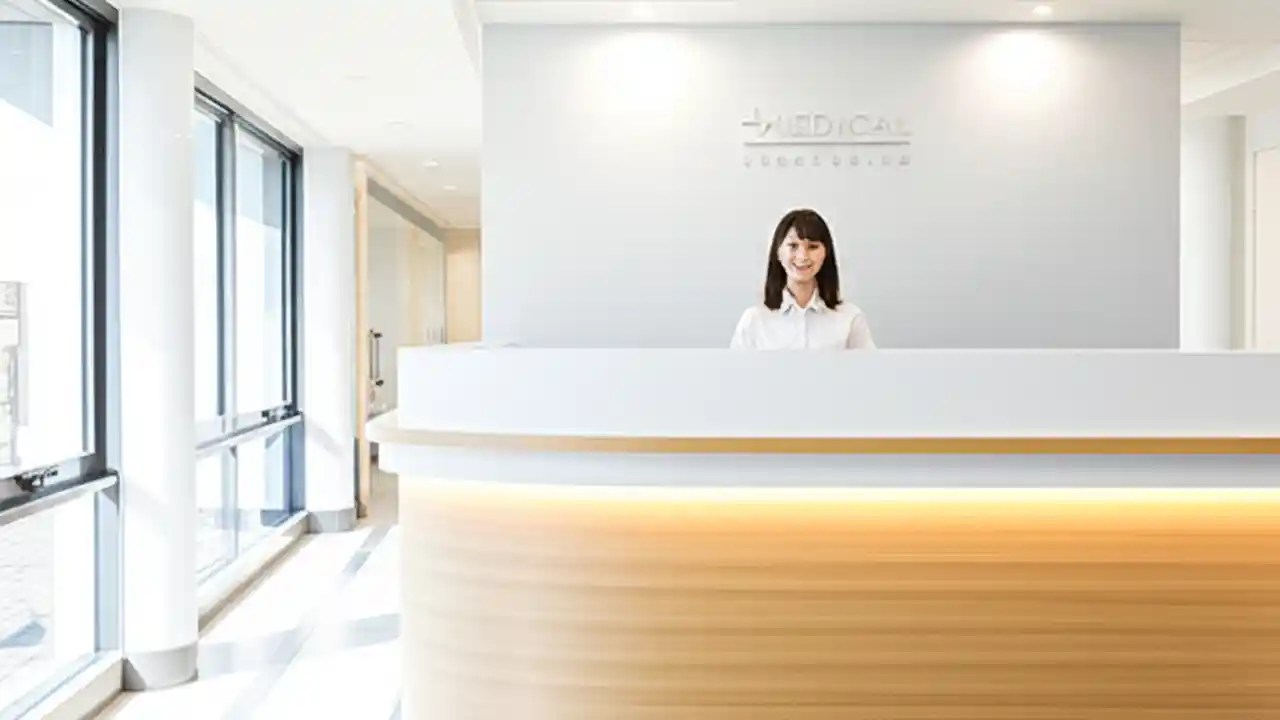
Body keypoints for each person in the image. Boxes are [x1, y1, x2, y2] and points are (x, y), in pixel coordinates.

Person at [730, 208, 876, 350]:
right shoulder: (754, 321)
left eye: (812, 247)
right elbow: (737, 374)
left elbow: (870, 373)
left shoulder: (850, 319)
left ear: (826, 253)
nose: (802, 256)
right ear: (778, 252)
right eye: (793, 246)